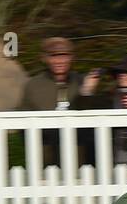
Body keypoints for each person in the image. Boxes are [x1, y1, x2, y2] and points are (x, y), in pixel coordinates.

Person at [18, 36, 103, 167]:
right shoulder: (33, 85)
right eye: (54, 56)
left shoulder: (81, 81)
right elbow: (22, 120)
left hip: (78, 152)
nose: (59, 61)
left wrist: (87, 91)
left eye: (64, 55)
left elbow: (92, 117)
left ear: (71, 57)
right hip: (43, 154)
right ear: (44, 58)